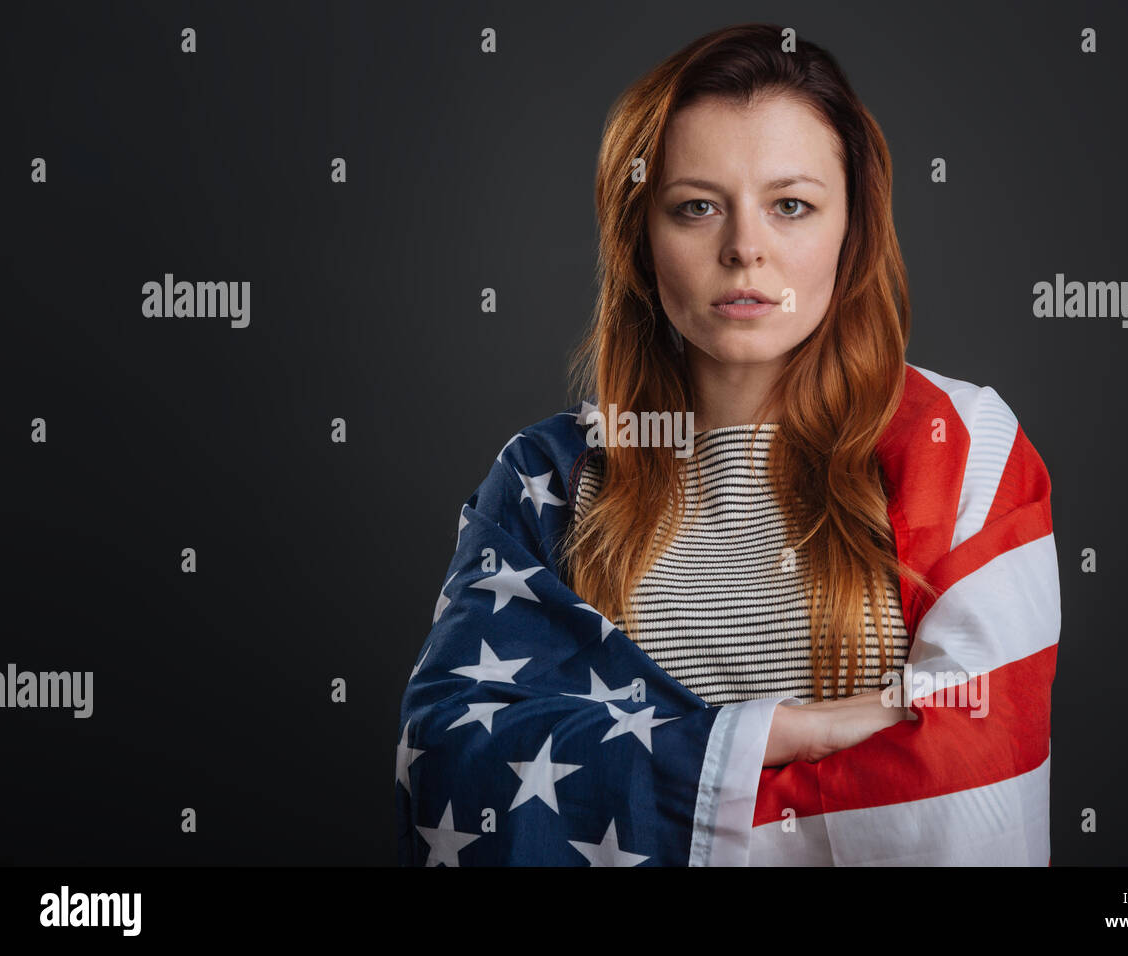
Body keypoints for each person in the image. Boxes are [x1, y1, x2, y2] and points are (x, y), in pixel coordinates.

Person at [396, 22, 1060, 866]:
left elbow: (959, 784)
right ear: (641, 239)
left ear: (852, 228)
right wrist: (786, 732)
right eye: (697, 206)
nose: (746, 247)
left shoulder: (962, 446)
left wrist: (643, 771)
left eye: (792, 205)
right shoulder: (551, 480)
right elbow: (457, 767)